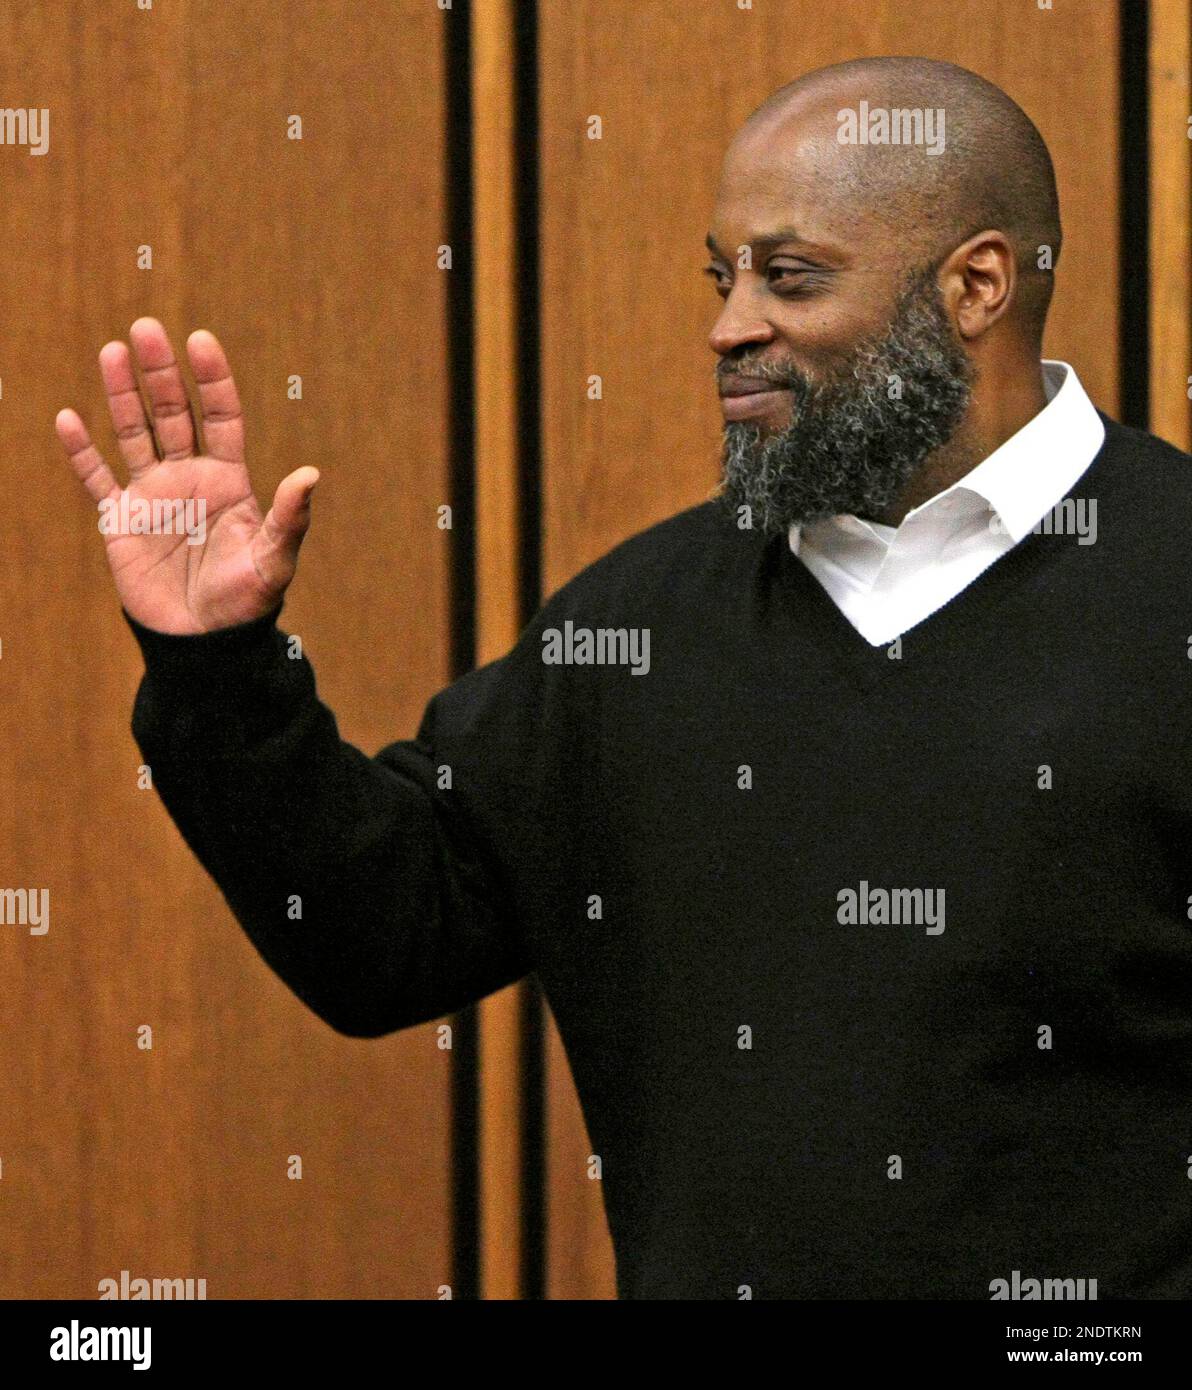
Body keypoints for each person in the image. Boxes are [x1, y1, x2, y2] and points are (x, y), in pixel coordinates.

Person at [56, 56, 1192, 1299]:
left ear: (974, 284)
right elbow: (378, 940)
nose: (728, 325)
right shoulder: (633, 632)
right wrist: (217, 667)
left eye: (788, 275)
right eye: (722, 277)